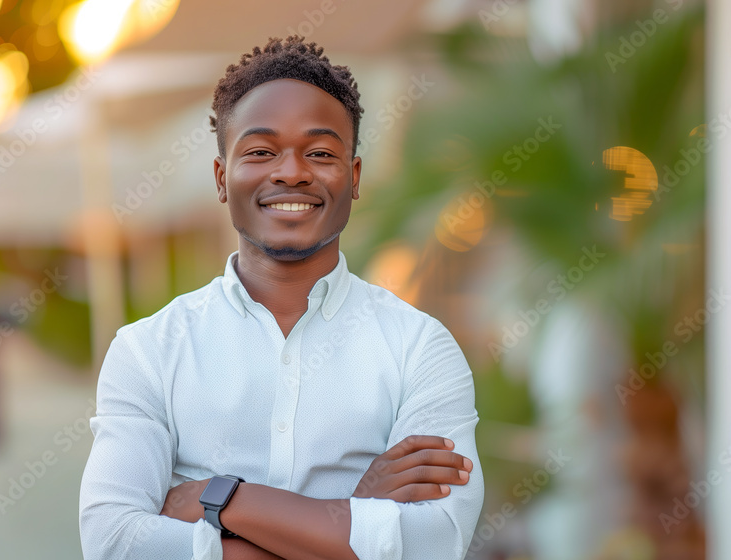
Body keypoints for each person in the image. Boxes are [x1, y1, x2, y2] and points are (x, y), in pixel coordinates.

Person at [79, 35, 483, 560]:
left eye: (320, 153)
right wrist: (351, 516)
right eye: (261, 152)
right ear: (222, 178)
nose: (291, 172)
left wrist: (221, 499)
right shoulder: (148, 351)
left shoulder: (420, 349)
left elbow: (437, 540)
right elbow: (114, 541)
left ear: (353, 177)